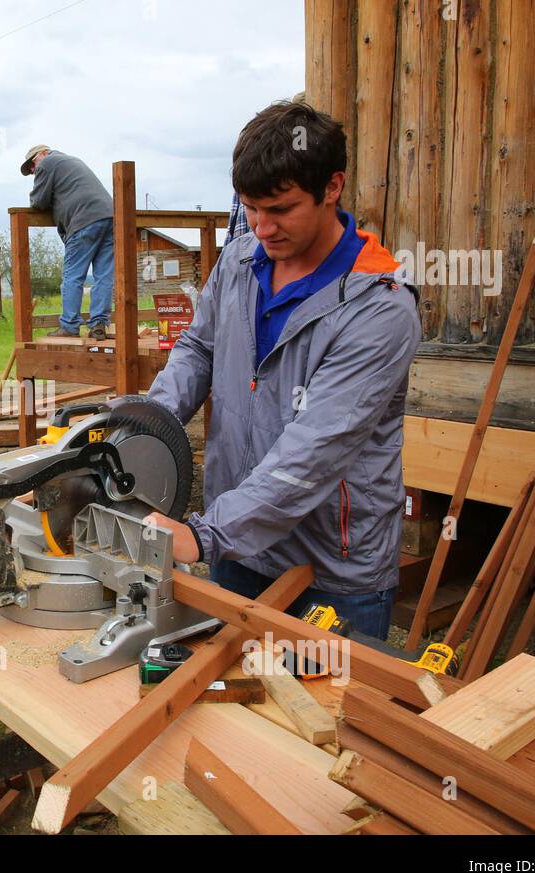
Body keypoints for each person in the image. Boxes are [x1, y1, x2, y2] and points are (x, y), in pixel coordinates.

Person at [143, 101, 419, 641]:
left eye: (281, 208)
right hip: (240, 547)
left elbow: (317, 448)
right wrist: (144, 425)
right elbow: (198, 349)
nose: (262, 227)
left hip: (333, 572)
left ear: (332, 187)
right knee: (233, 708)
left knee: (329, 720)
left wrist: (206, 534)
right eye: (250, 207)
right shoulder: (242, 259)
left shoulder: (379, 307)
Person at [22, 144, 114, 339]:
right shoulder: (72, 161)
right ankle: (99, 324)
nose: (33, 170)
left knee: (73, 276)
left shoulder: (47, 163)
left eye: (32, 164)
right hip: (110, 216)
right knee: (104, 275)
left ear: (43, 153)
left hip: (83, 220)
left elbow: (38, 202)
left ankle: (70, 326)